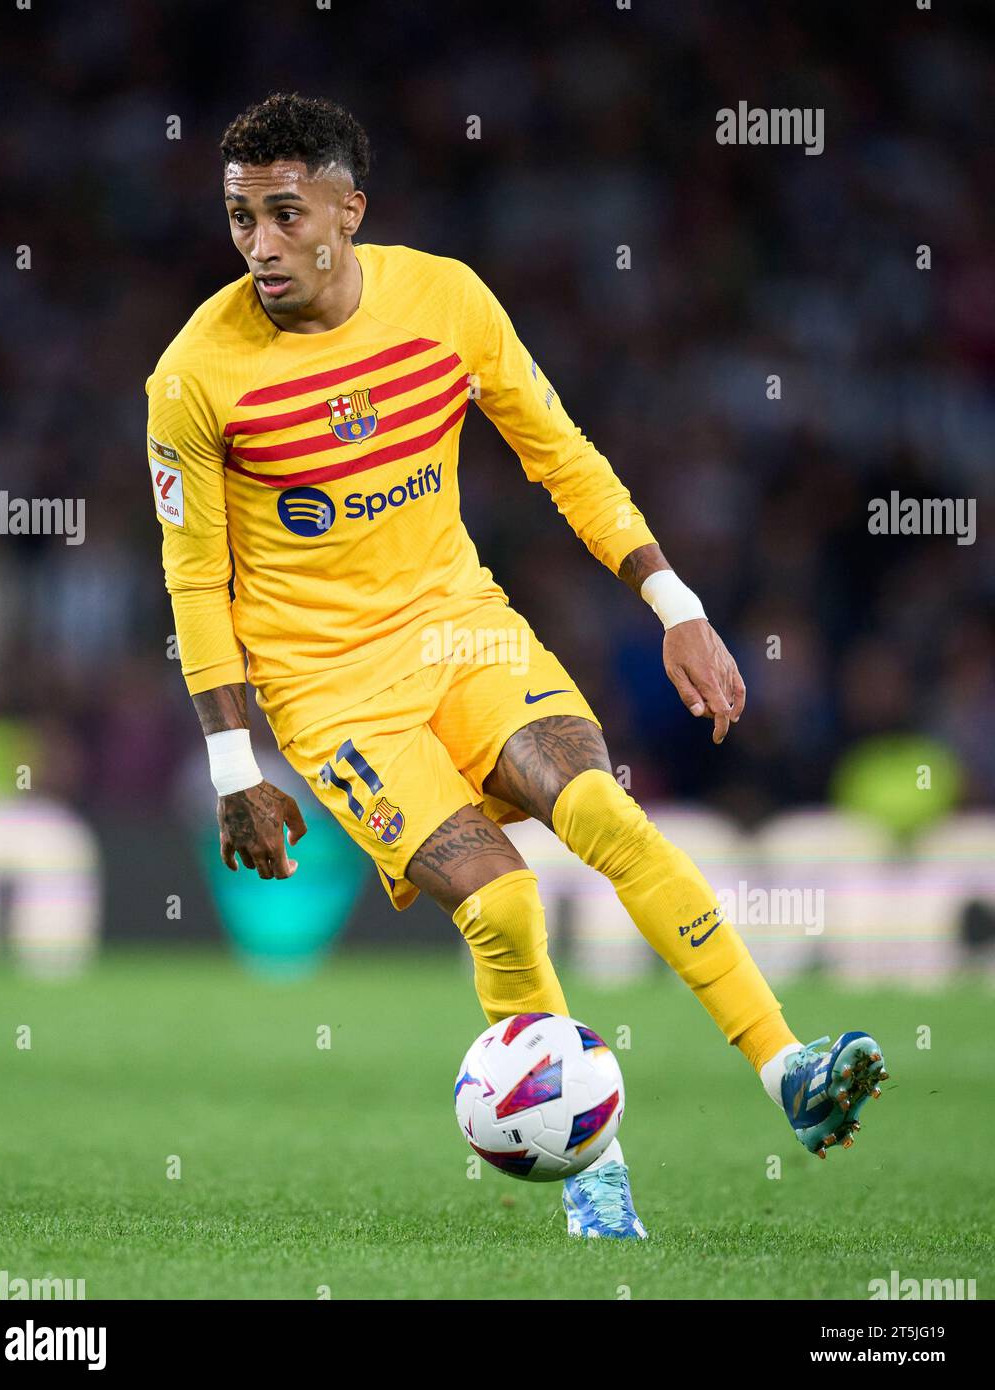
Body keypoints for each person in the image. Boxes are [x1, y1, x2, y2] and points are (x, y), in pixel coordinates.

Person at [145, 93, 887, 1239]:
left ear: (351, 207)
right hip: (331, 688)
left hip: (465, 631)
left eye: (286, 215)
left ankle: (785, 1067)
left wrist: (672, 602)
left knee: (603, 811)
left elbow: (561, 455)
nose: (260, 244)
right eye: (241, 218)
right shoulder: (192, 379)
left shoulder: (444, 298)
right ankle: (594, 1174)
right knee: (499, 903)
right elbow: (195, 583)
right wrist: (233, 762)